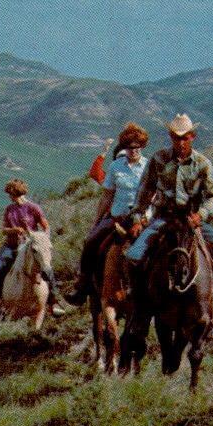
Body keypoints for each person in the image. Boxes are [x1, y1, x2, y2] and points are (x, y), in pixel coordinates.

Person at [125, 114, 213, 334]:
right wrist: (137, 217)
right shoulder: (159, 160)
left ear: (192, 137)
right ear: (171, 137)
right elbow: (145, 191)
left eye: (185, 137)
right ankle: (140, 311)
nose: (180, 142)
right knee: (133, 257)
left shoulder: (202, 164)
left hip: (191, 222)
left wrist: (201, 214)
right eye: (176, 137)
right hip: (163, 219)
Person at [64, 123, 150, 305]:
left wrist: (147, 215)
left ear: (142, 146)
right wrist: (97, 220)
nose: (134, 150)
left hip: (142, 218)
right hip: (117, 218)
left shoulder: (149, 166)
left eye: (137, 147)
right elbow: (107, 196)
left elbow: (154, 194)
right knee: (90, 241)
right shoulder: (115, 167)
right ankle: (83, 285)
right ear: (125, 147)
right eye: (130, 147)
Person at [0, 179, 65, 316]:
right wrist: (15, 230)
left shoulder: (33, 208)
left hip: (30, 245)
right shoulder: (9, 209)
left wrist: (42, 239)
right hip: (11, 245)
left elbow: (46, 226)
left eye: (11, 194)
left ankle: (54, 302)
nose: (10, 197)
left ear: (16, 193)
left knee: (46, 268)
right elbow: (4, 230)